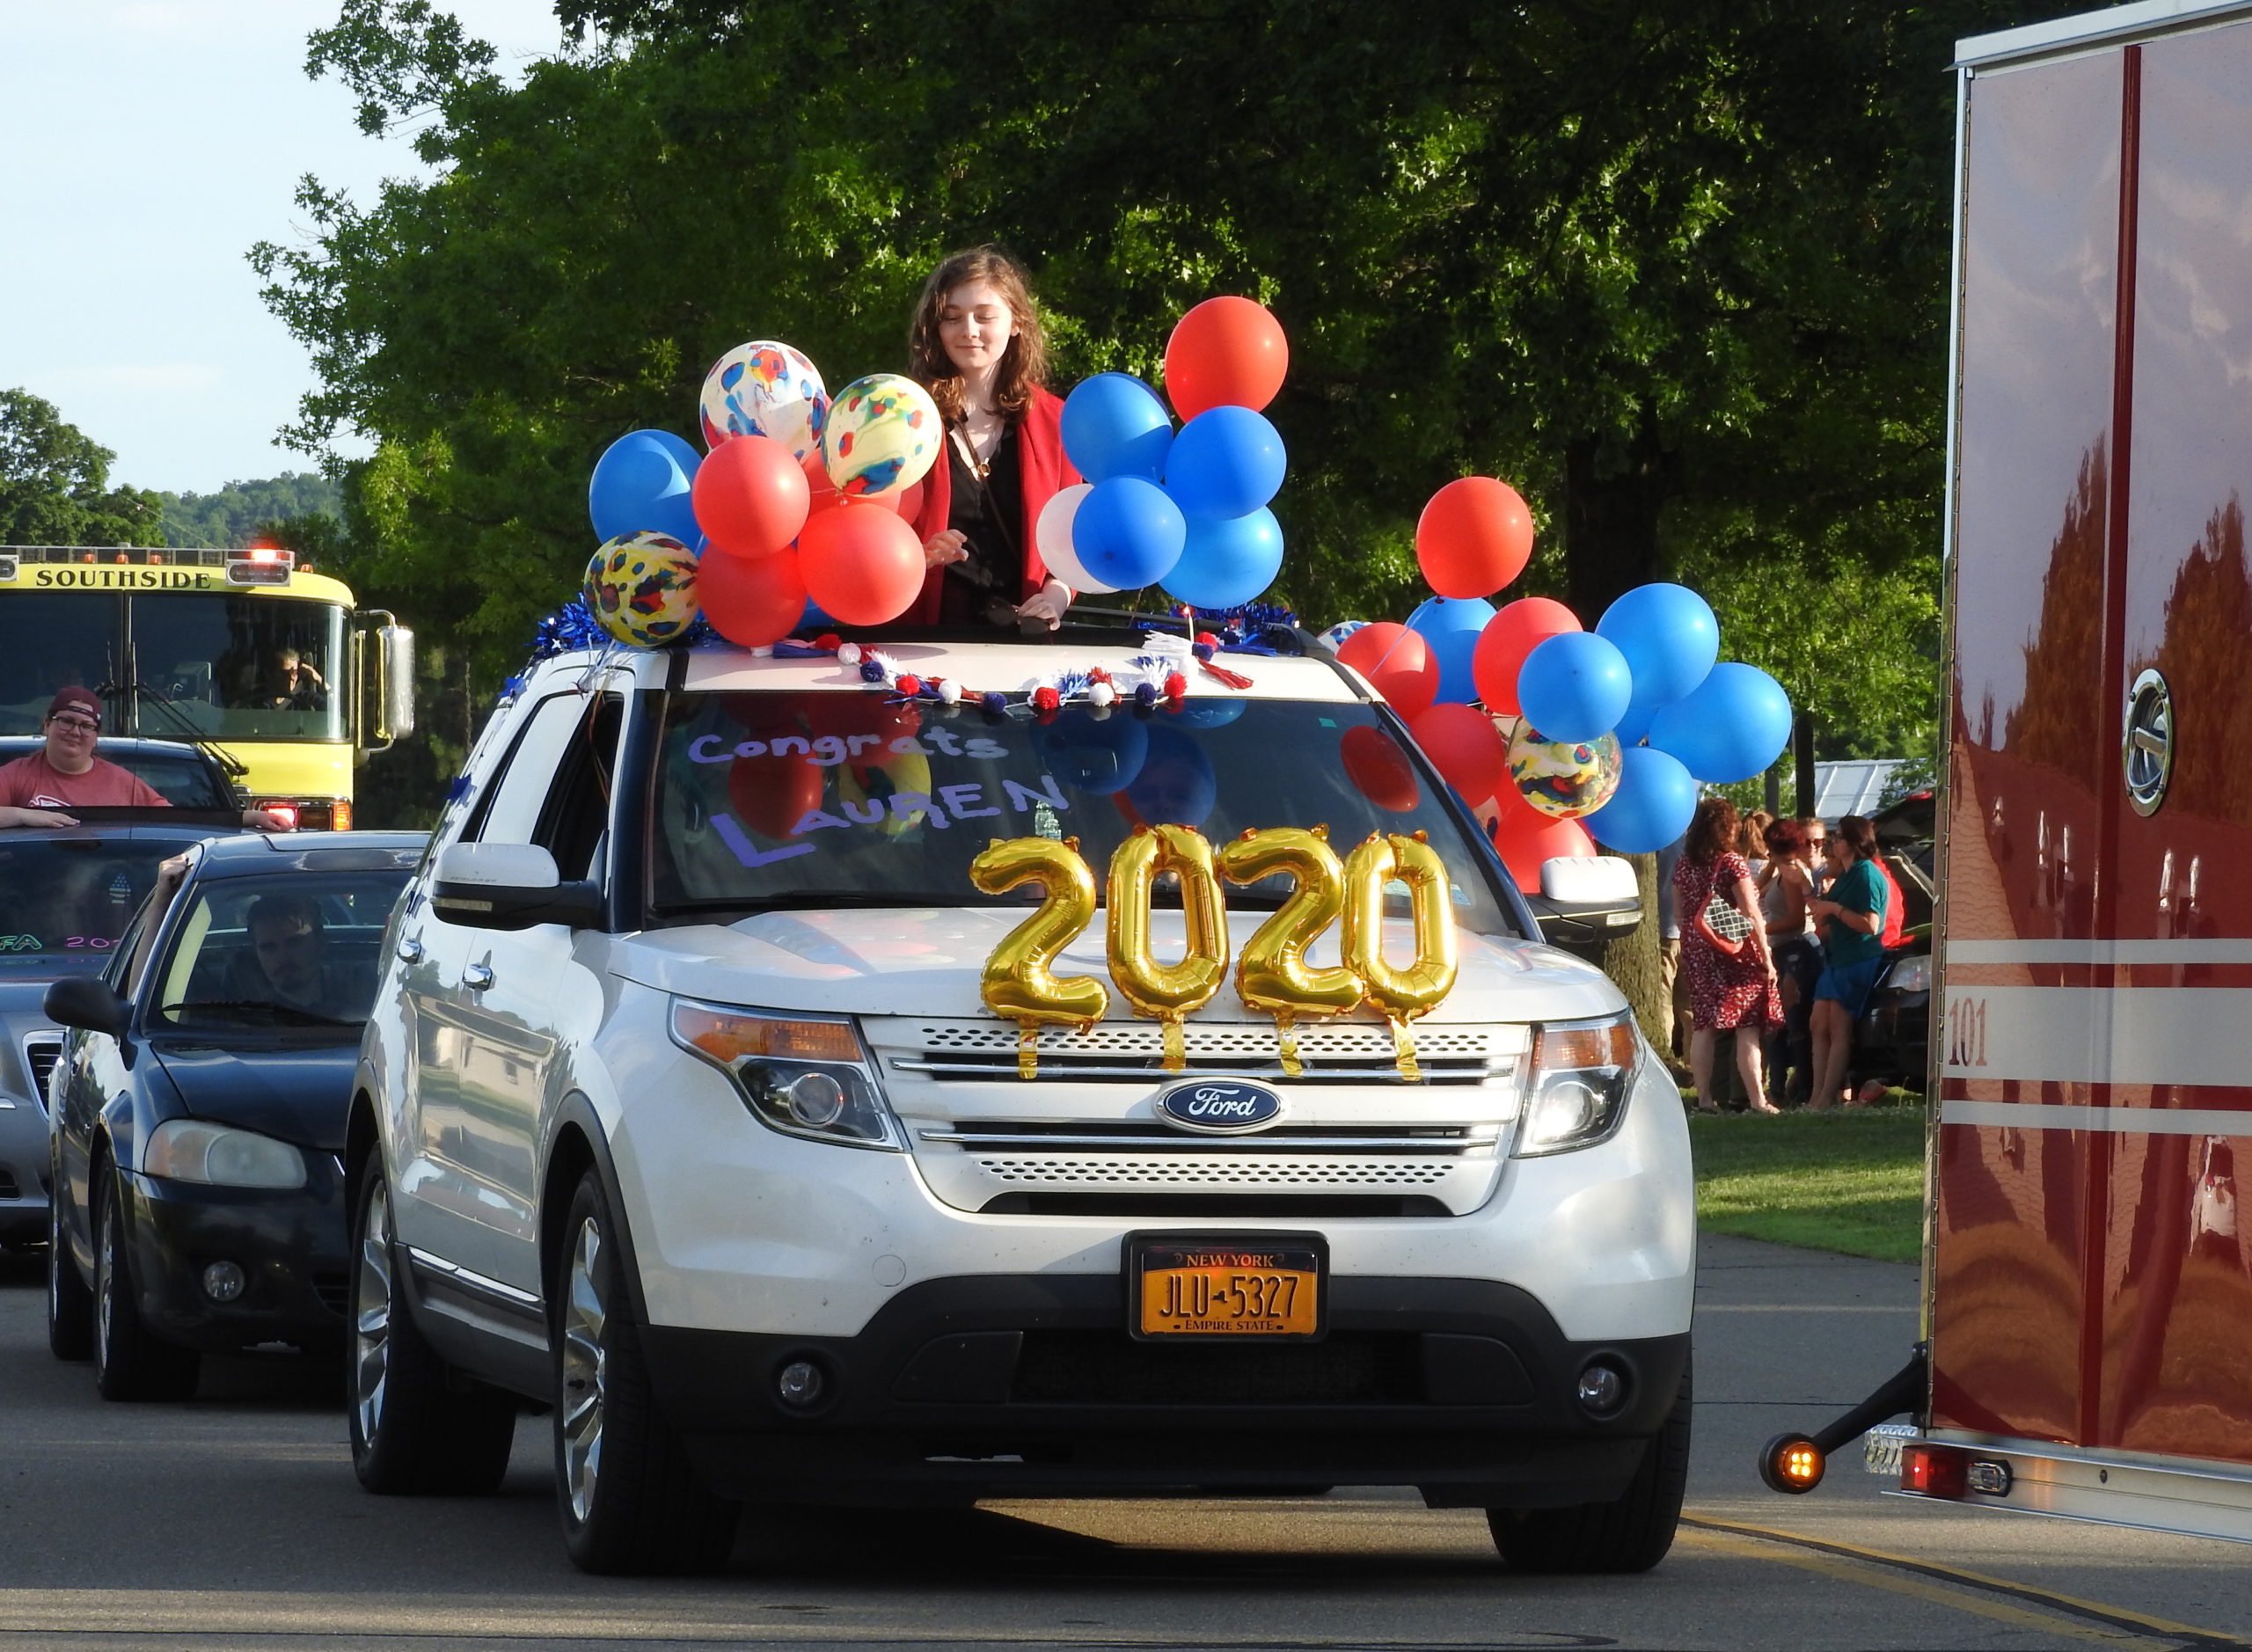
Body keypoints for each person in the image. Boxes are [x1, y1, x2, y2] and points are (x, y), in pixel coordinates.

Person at [906, 246, 1081, 630]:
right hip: (920, 642)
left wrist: (1055, 597)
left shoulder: (1058, 422)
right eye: (952, 318)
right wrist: (918, 555)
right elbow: (873, 541)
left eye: (984, 316)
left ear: (1016, 322)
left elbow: (1073, 546)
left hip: (1021, 648)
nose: (968, 330)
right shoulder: (903, 417)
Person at [0, 686, 288, 830]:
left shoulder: (125, 785)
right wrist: (25, 815)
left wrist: (248, 817)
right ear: (47, 724)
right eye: (66, 721)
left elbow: (178, 822)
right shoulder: (17, 774)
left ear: (96, 735)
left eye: (86, 726)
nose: (75, 732)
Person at [1672, 796, 1782, 1114]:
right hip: (1734, 951)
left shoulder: (1684, 863)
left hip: (1696, 947)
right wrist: (1765, 957)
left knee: (1704, 1025)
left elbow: (1680, 913)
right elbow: (1751, 912)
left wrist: (1694, 942)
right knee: (1746, 1025)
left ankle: (1705, 1098)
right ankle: (1757, 1100)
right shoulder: (1732, 862)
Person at [1807, 813, 1890, 1109]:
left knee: (1838, 1026)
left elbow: (1871, 924)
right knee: (1818, 1024)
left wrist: (1834, 908)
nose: (1833, 842)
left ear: (1856, 842)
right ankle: (1817, 1094)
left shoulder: (1867, 874)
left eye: (1839, 837)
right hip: (1837, 958)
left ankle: (1826, 1097)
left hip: (1858, 958)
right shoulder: (1845, 873)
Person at [1758, 816, 1823, 1103]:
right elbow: (1757, 890)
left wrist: (1760, 930)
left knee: (1796, 1021)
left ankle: (1802, 1088)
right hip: (1785, 949)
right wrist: (1772, 864)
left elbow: (1796, 920)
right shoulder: (1783, 871)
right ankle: (1781, 1085)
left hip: (1798, 949)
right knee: (1781, 1021)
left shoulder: (1795, 873)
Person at [242, 895, 354, 1018]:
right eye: (268, 948)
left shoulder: (364, 996)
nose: (282, 958)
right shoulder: (238, 1017)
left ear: (320, 942)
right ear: (256, 953)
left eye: (293, 943)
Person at [265, 648, 328, 712]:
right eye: (284, 673)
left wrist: (318, 679)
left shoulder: (305, 699)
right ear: (272, 674)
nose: (291, 678)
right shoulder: (259, 701)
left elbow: (334, 705)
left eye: (294, 672)